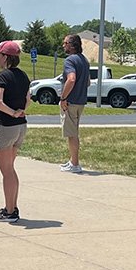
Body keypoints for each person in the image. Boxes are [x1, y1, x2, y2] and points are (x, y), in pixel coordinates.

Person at [0, 40, 30, 221]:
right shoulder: (24, 76)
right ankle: (12, 207)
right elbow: (28, 100)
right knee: (10, 169)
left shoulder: (1, 77)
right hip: (20, 126)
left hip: (4, 126)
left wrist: (11, 113)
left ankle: (10, 212)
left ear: (5, 57)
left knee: (7, 171)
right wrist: (19, 112)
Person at [59, 32, 90, 173]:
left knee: (72, 134)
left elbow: (71, 79)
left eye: (65, 43)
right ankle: (72, 160)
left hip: (71, 102)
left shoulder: (70, 61)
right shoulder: (84, 60)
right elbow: (88, 82)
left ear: (72, 46)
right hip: (81, 101)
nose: (63, 45)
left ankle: (75, 164)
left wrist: (63, 98)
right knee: (74, 132)